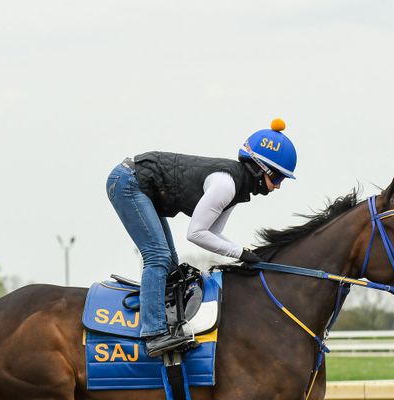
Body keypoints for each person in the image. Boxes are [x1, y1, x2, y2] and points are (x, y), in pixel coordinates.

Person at [106, 118, 297, 357]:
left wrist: (246, 252)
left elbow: (213, 233)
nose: (278, 186)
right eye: (278, 178)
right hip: (128, 182)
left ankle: (169, 325)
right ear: (260, 168)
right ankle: (154, 334)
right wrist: (239, 253)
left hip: (142, 185)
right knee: (158, 257)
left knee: (170, 260)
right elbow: (195, 233)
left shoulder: (237, 189)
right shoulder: (226, 185)